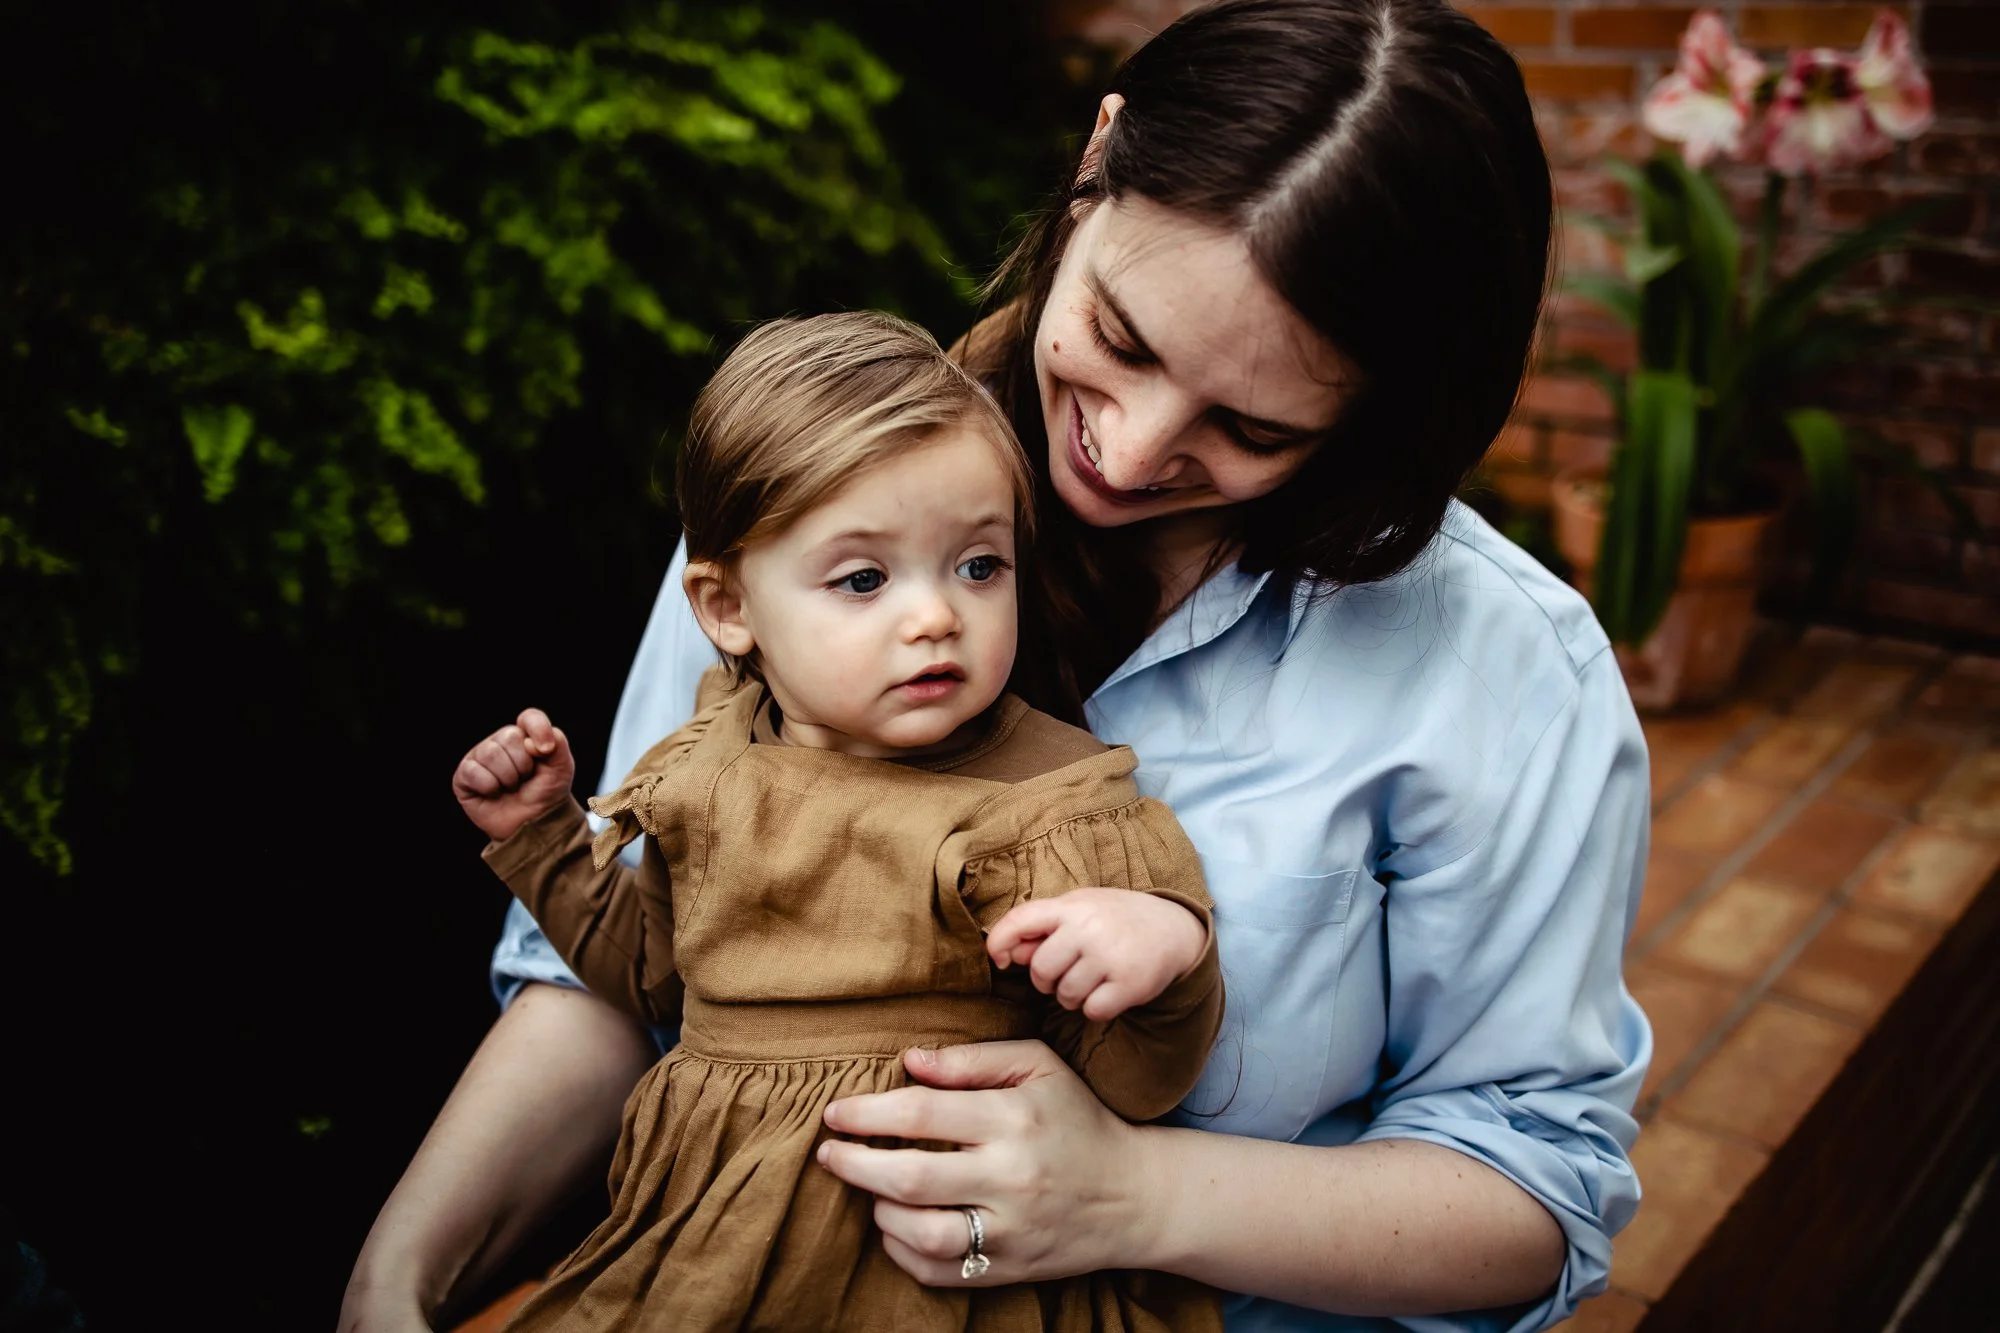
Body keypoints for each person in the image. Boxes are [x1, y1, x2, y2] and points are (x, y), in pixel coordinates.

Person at [339, 2, 1653, 1331]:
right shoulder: (805, 497)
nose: (1129, 457)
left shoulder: (1499, 666)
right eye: (1122, 337)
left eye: (1253, 424)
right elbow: (620, 981)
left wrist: (1139, 1194)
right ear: (1098, 156)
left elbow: (1534, 1187)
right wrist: (394, 1280)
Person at [452, 312, 1226, 1332]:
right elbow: (651, 972)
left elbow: (1130, 1088)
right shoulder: (710, 765)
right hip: (707, 1250)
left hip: (924, 1269)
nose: (934, 616)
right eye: (863, 579)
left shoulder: (1043, 803)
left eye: (977, 566)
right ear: (728, 609)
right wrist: (542, 837)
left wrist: (1164, 960)